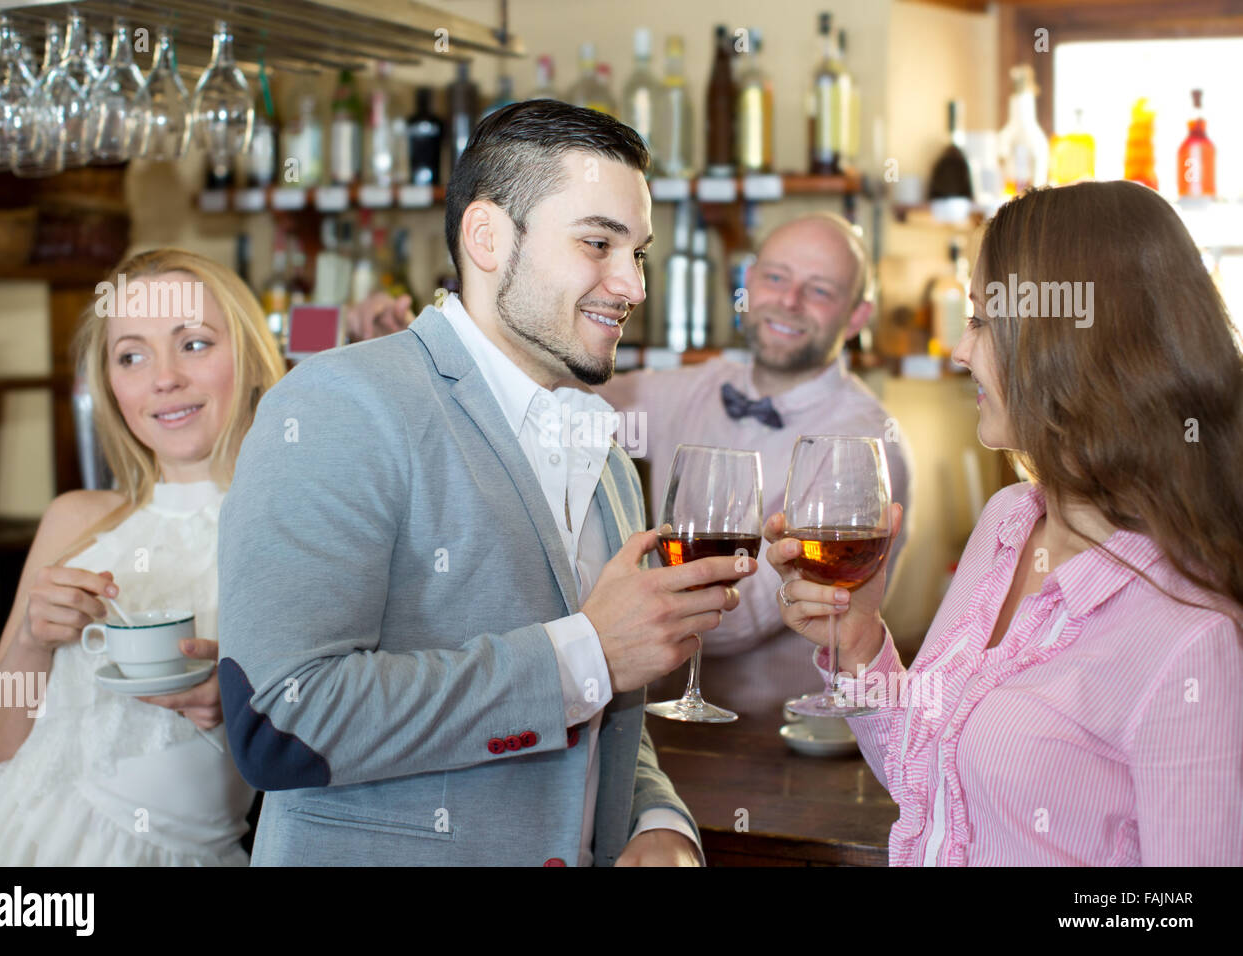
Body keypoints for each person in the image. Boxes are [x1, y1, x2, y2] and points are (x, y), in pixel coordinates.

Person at [217, 99, 755, 867]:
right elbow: (281, 723)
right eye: (598, 243)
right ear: (487, 237)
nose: (632, 285)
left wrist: (656, 823)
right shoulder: (339, 403)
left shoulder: (603, 455)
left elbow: (602, 709)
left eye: (638, 253)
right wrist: (587, 652)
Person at [766, 181, 1243, 865]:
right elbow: (926, 780)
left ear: (1072, 343)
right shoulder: (1009, 522)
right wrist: (863, 644)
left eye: (985, 321)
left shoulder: (1195, 641)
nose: (961, 351)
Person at [0, 249, 285, 866]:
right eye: (131, 355)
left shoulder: (288, 523)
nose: (164, 378)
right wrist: (30, 638)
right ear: (109, 384)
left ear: (251, 357)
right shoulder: (75, 519)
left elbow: (344, 737)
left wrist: (242, 706)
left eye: (193, 344)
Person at [597, 213, 913, 717]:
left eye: (820, 290)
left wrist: (590, 627)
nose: (789, 301)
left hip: (784, 740)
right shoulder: (700, 386)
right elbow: (569, 405)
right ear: (749, 284)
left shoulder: (864, 442)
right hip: (675, 731)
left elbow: (738, 622)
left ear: (856, 317)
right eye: (775, 278)